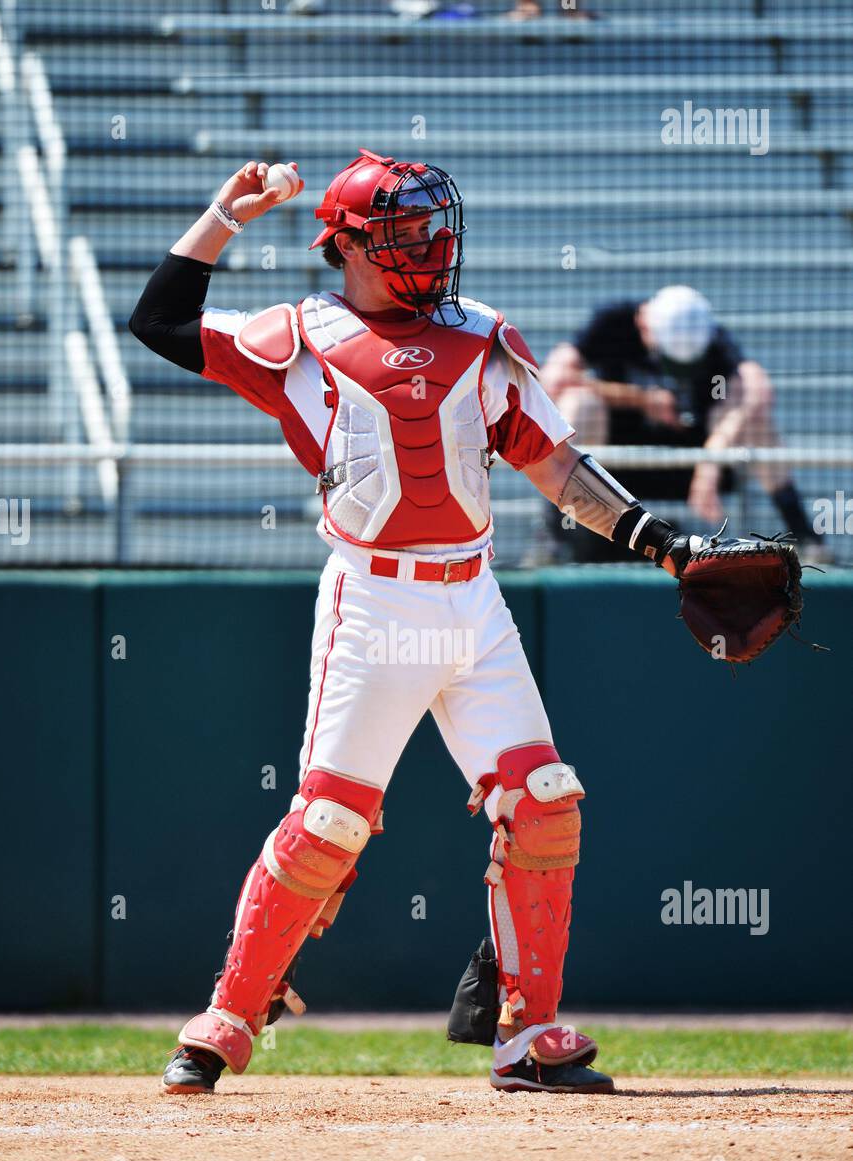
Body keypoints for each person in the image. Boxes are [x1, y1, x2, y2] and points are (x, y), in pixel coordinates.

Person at [130, 151, 711, 1098]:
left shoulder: (482, 338)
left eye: (435, 227)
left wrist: (662, 540)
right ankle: (228, 1018)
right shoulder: (299, 336)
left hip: (472, 598)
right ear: (348, 243)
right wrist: (223, 216)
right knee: (328, 823)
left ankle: (528, 1034)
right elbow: (158, 321)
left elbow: (559, 468)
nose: (433, 246)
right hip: (373, 597)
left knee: (547, 803)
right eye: (405, 231)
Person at [538, 286, 821, 564]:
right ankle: (554, 541)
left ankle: (808, 540)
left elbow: (759, 389)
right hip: (614, 472)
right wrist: (640, 399)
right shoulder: (613, 324)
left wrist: (711, 459)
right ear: (646, 329)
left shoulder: (710, 339)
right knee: (579, 404)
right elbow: (552, 380)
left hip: (692, 471)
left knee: (757, 423)